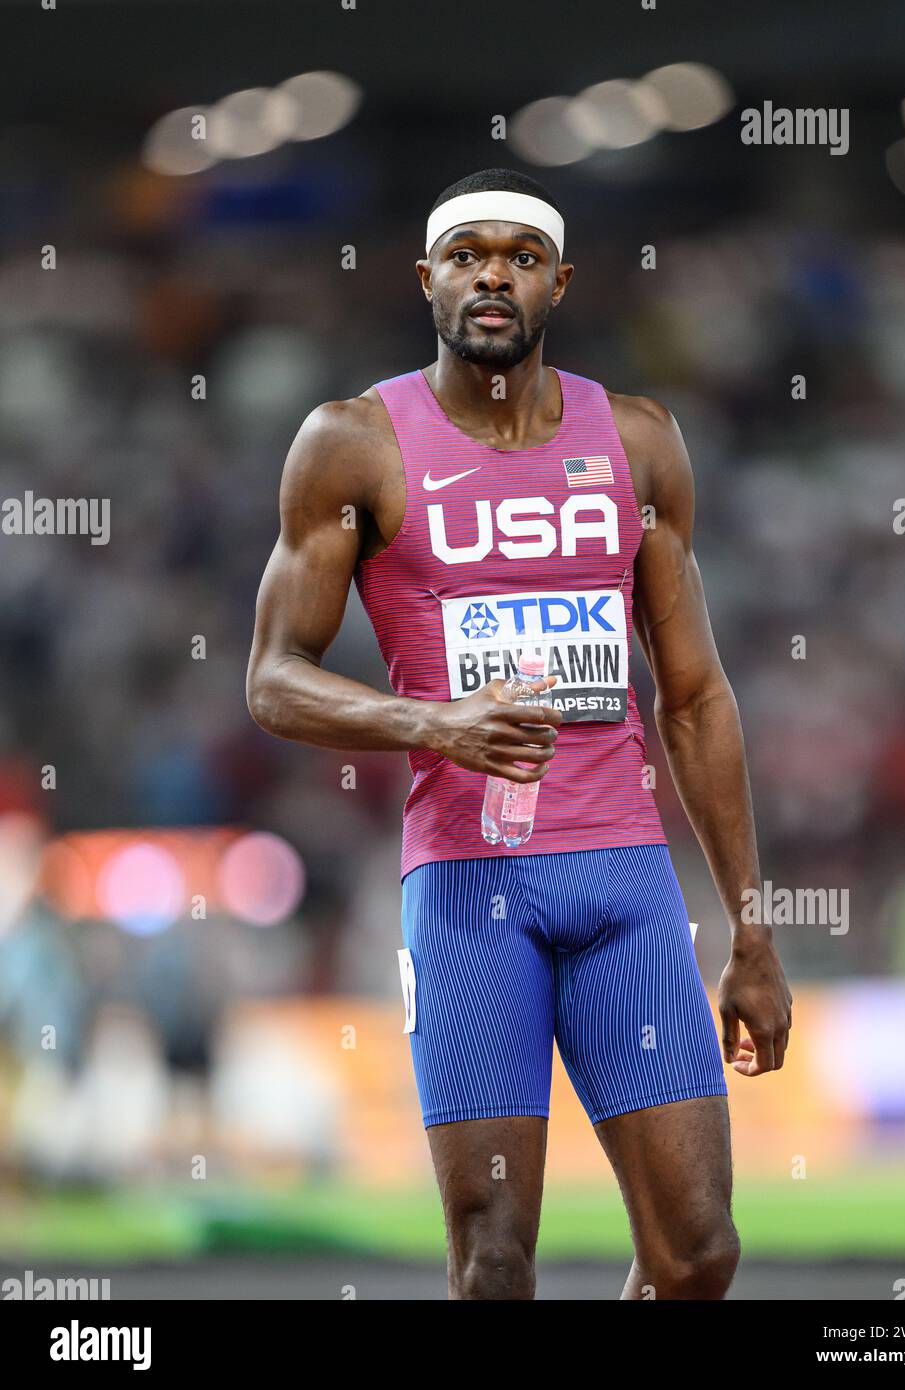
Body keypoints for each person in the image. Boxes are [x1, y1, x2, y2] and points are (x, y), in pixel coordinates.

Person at [247, 167, 792, 1300]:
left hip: (623, 886)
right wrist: (429, 720)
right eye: (464, 254)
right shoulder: (351, 443)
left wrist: (752, 929)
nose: (491, 273)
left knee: (697, 1255)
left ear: (558, 282)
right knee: (494, 1260)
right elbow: (272, 680)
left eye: (519, 255)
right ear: (426, 279)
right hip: (467, 893)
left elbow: (691, 697)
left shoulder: (636, 441)